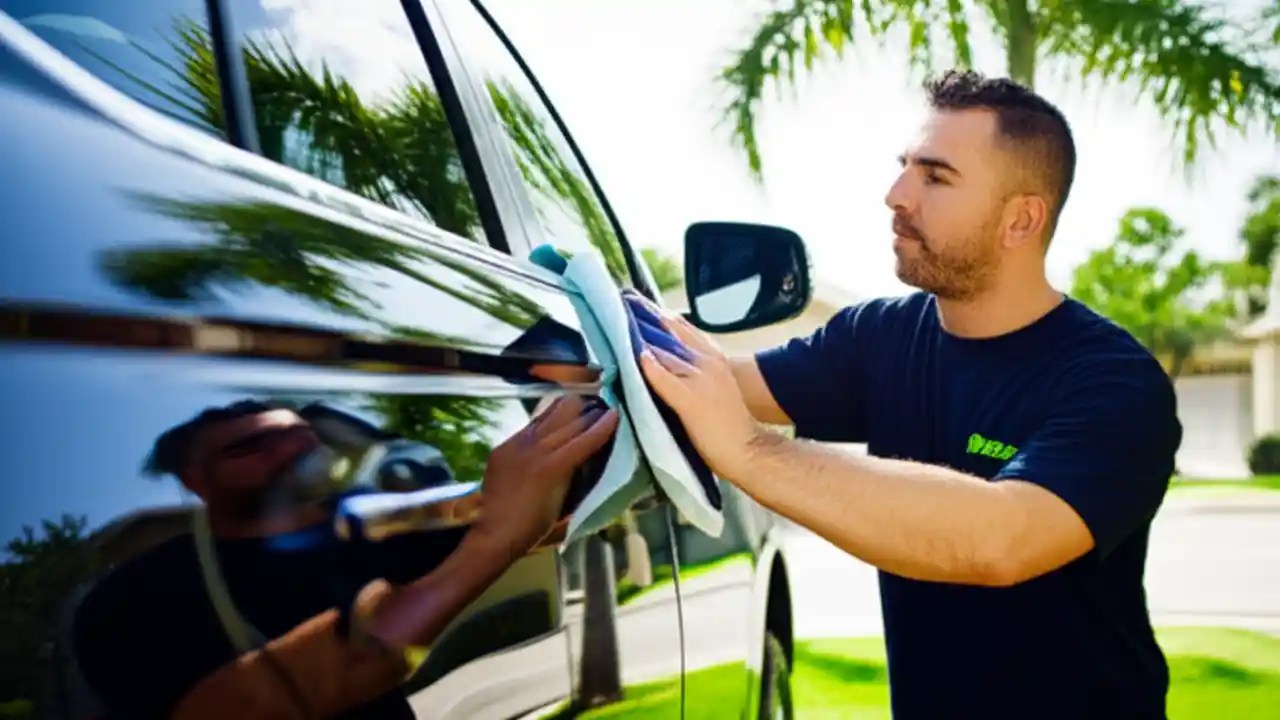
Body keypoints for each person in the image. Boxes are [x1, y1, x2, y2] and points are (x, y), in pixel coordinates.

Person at [638, 69, 1182, 719]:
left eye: (936, 177)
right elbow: (716, 381)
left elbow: (1001, 540)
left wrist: (750, 453)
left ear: (1020, 220)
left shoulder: (1114, 383)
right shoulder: (882, 337)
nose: (896, 196)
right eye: (905, 168)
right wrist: (609, 326)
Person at [73, 396, 617, 719]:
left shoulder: (375, 529)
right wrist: (493, 539)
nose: (291, 453)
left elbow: (537, 525)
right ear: (194, 479)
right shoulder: (138, 594)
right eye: (251, 447)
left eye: (299, 436)